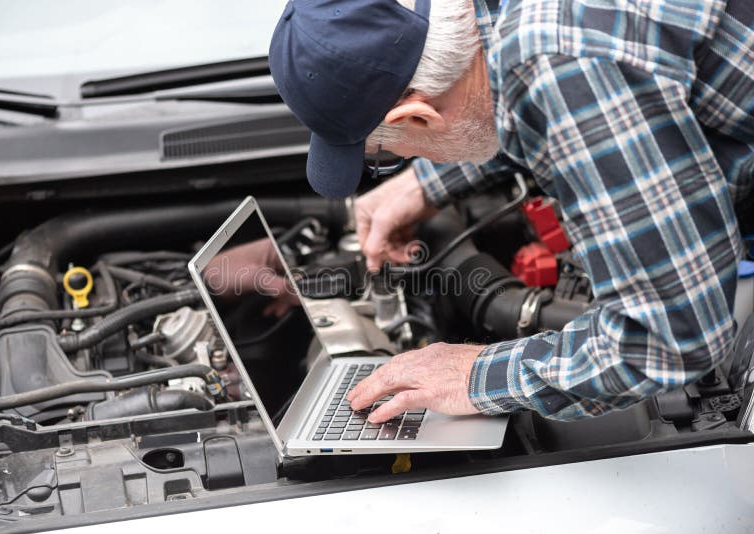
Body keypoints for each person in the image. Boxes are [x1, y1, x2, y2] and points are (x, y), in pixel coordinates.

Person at [268, 0, 753, 423]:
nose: (403, 161)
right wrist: (425, 183)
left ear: (415, 116)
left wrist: (475, 376)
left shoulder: (558, 59)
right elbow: (508, 92)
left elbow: (668, 339)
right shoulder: (516, 24)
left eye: (385, 155)